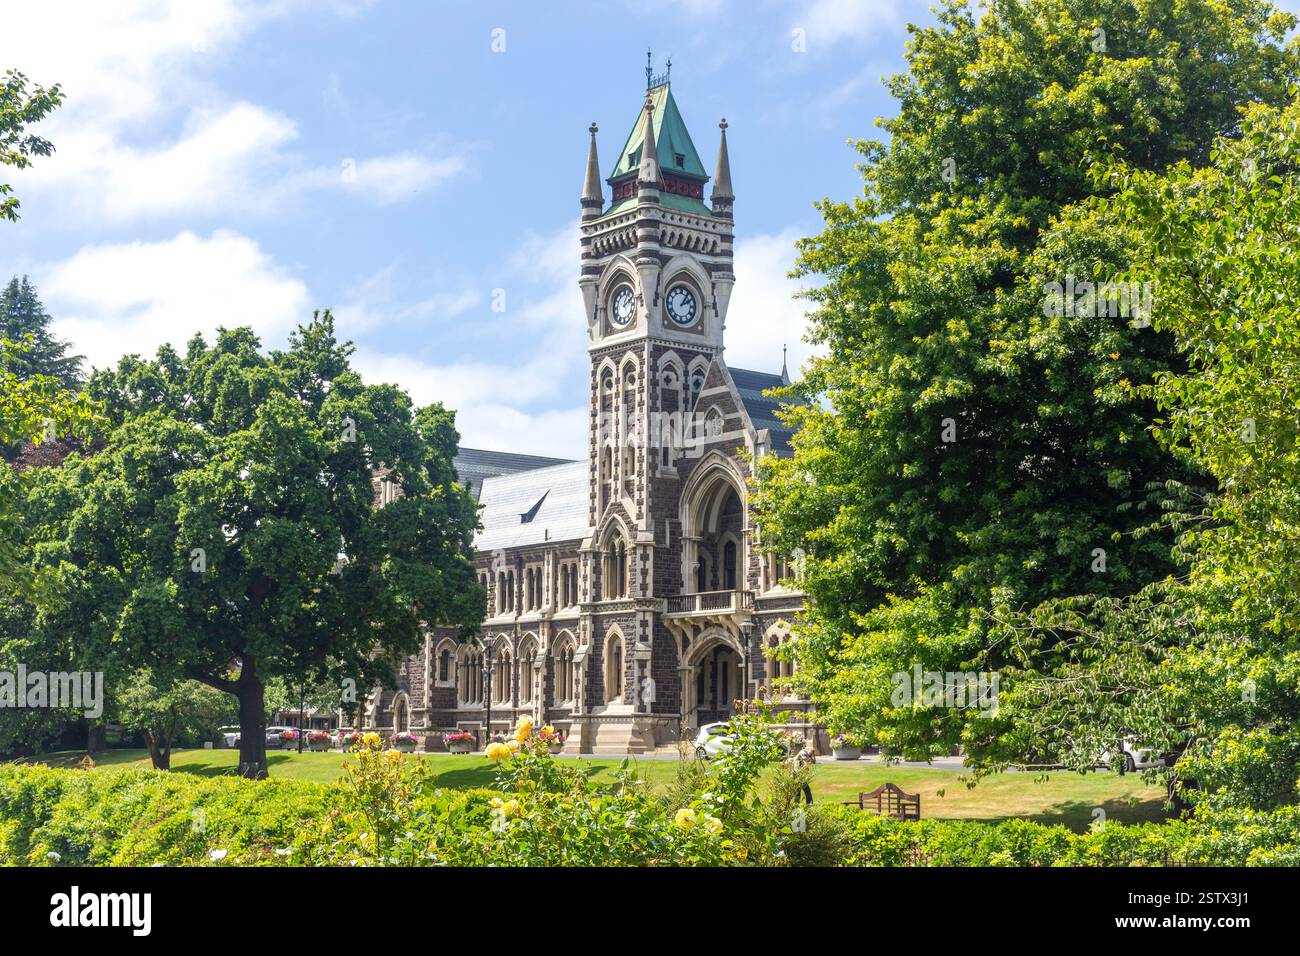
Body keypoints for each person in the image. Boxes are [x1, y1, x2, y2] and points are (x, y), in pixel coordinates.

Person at [790, 738, 816, 804]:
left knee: (797, 791)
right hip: (797, 774)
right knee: (806, 790)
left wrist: (812, 756)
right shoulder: (803, 753)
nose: (811, 754)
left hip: (796, 773)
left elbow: (813, 761)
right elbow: (806, 764)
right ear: (808, 750)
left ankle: (796, 804)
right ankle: (809, 804)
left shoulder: (807, 754)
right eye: (811, 752)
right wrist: (805, 769)